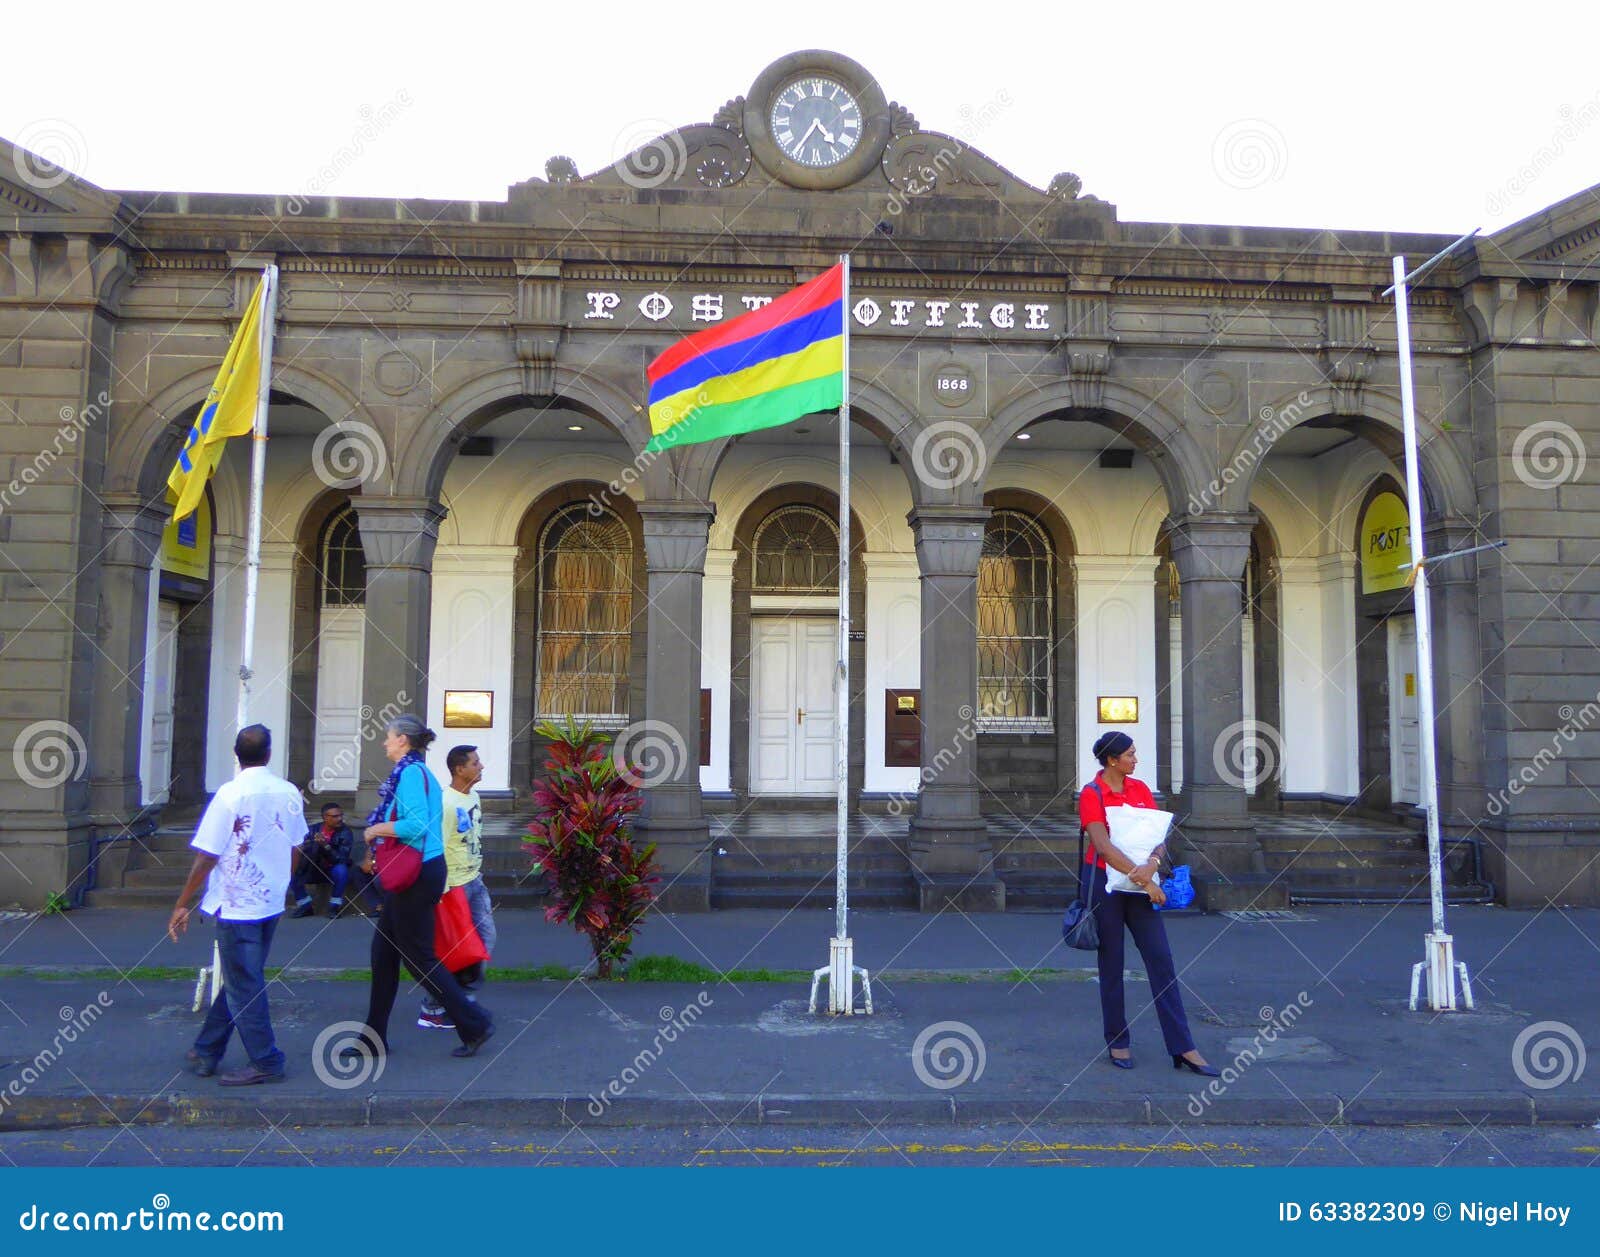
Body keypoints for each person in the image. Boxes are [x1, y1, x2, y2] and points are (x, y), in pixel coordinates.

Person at [349, 715, 494, 1061]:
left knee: (420, 959)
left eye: (388, 737)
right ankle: (373, 1038)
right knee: (383, 956)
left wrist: (375, 831)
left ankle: (474, 1023)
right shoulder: (419, 772)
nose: (384, 743)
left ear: (402, 740)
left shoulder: (411, 774)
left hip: (416, 874)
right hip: (421, 871)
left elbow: (414, 826)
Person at [167, 724, 303, 1086]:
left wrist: (183, 903)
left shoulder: (229, 795)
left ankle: (266, 1060)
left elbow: (207, 855)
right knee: (243, 978)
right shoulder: (288, 792)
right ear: (269, 754)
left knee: (245, 983)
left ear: (236, 755)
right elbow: (296, 846)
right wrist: (284, 883)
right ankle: (207, 1048)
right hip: (269, 901)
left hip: (236, 903)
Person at [1079, 730, 1219, 1077]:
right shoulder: (1092, 793)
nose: (1135, 759)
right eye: (1129, 754)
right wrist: (1146, 879)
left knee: (1161, 962)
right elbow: (1103, 846)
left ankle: (1183, 1046)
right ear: (1112, 760)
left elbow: (1158, 838)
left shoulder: (1140, 789)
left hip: (1142, 885)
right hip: (1106, 887)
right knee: (1112, 965)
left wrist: (1153, 866)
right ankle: (1117, 1039)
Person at [419, 744, 496, 1030]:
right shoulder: (446, 803)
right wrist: (441, 891)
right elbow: (434, 847)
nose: (481, 767)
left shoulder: (473, 796)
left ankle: (461, 999)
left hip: (475, 880)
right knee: (454, 949)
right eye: (475, 763)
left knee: (484, 942)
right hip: (453, 887)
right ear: (459, 769)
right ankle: (434, 1006)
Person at [289, 803, 355, 918]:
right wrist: (308, 845)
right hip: (311, 867)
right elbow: (300, 849)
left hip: (331, 869)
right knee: (290, 868)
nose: (339, 819)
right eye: (335, 816)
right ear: (325, 817)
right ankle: (305, 905)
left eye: (340, 815)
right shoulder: (312, 829)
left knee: (341, 870)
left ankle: (334, 906)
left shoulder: (346, 832)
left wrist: (326, 846)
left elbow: (341, 858)